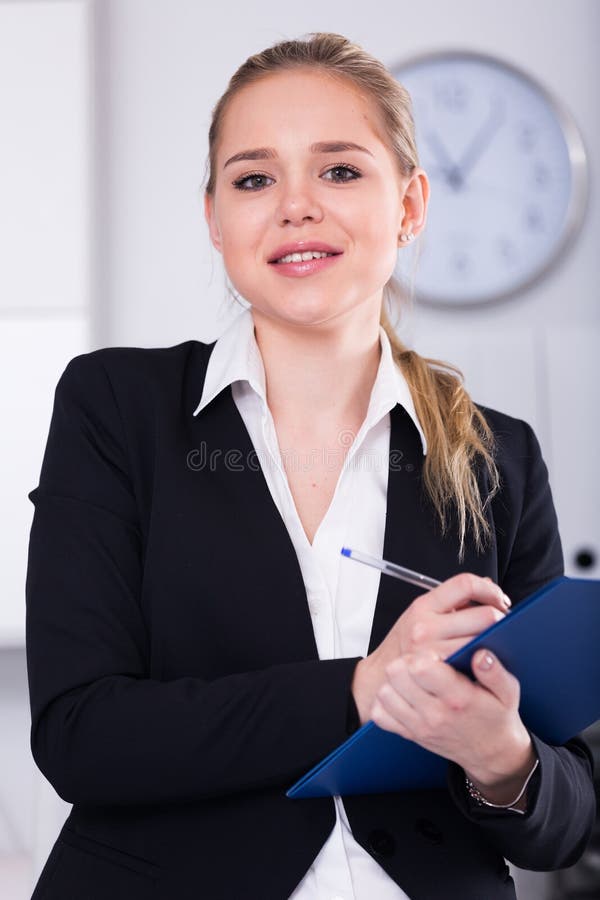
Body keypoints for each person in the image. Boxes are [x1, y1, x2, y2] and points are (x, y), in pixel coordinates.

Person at [25, 31, 594, 900]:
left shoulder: (497, 455)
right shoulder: (116, 406)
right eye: (254, 179)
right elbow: (81, 736)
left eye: (339, 170)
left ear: (409, 205)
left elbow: (568, 815)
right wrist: (359, 691)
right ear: (215, 219)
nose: (295, 206)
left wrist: (504, 761)